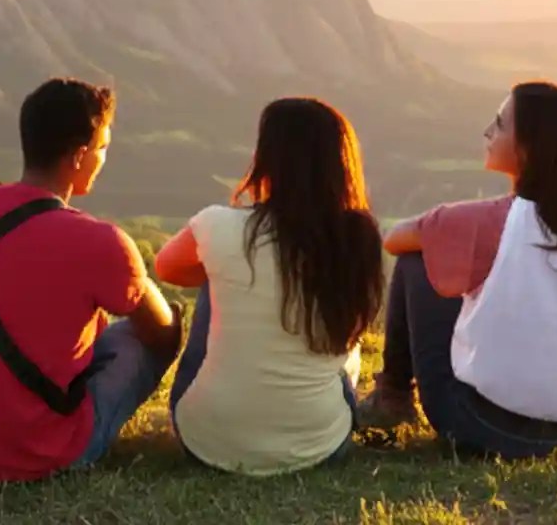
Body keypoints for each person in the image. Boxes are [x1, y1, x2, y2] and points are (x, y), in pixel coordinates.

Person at [0, 77, 182, 482]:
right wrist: (136, 276)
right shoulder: (100, 241)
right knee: (136, 338)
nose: (104, 159)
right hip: (36, 452)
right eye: (103, 148)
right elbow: (162, 334)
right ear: (79, 156)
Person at [358, 81, 557, 459]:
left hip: (482, 427)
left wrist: (445, 232)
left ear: (529, 147)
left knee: (417, 261)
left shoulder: (489, 220)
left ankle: (393, 395)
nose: (487, 132)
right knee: (467, 272)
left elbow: (394, 239)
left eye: (500, 124)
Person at [154, 97, 384, 475]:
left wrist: (232, 272)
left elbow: (167, 267)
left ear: (267, 159)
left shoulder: (219, 225)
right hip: (321, 445)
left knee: (218, 274)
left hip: (207, 439)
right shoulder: (358, 238)